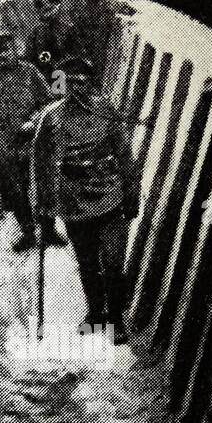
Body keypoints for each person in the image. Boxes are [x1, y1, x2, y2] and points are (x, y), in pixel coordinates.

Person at [34, 54, 141, 344]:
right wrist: (43, 207)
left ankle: (116, 319)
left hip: (110, 197)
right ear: (62, 86)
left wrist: (132, 194)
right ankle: (95, 313)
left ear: (90, 84)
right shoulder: (51, 118)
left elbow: (124, 154)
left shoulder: (106, 111)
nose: (76, 90)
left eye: (82, 83)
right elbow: (41, 165)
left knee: (114, 262)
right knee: (87, 262)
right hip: (73, 203)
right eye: (70, 84)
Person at [0, 28, 65, 252]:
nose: (3, 55)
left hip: (32, 140)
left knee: (44, 183)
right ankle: (28, 233)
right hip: (4, 146)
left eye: (6, 49)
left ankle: (48, 230)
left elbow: (49, 103)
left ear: (14, 49)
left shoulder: (29, 72)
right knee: (15, 191)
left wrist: (34, 121)